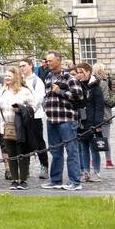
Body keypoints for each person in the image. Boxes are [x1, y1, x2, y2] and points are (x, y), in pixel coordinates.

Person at [40, 51, 83, 191]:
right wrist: (45, 106)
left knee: (72, 151)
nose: (48, 63)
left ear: (58, 60)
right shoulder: (48, 77)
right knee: (55, 152)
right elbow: (46, 96)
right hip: (52, 119)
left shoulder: (69, 77)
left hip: (66, 120)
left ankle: (75, 182)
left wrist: (60, 92)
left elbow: (78, 95)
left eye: (50, 61)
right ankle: (56, 180)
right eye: (47, 61)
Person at [0, 66, 35, 191]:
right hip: (6, 126)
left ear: (15, 77)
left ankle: (23, 179)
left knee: (22, 153)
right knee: (10, 153)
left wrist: (21, 109)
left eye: (9, 76)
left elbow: (33, 107)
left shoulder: (24, 91)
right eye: (5, 76)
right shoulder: (2, 91)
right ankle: (14, 179)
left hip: (21, 126)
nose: (6, 78)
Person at [74, 62, 107, 183]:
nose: (79, 74)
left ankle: (96, 172)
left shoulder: (95, 87)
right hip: (81, 122)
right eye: (77, 72)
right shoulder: (78, 86)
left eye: (81, 72)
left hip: (92, 122)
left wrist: (98, 124)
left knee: (94, 149)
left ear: (88, 72)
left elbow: (99, 107)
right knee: (83, 148)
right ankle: (86, 171)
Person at [18, 59, 48, 179]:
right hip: (22, 116)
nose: (22, 68)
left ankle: (44, 166)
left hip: (35, 116)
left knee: (39, 141)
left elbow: (39, 98)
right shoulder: (19, 80)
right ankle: (25, 168)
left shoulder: (37, 81)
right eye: (20, 66)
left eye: (24, 65)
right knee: (23, 142)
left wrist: (29, 109)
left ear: (31, 66)